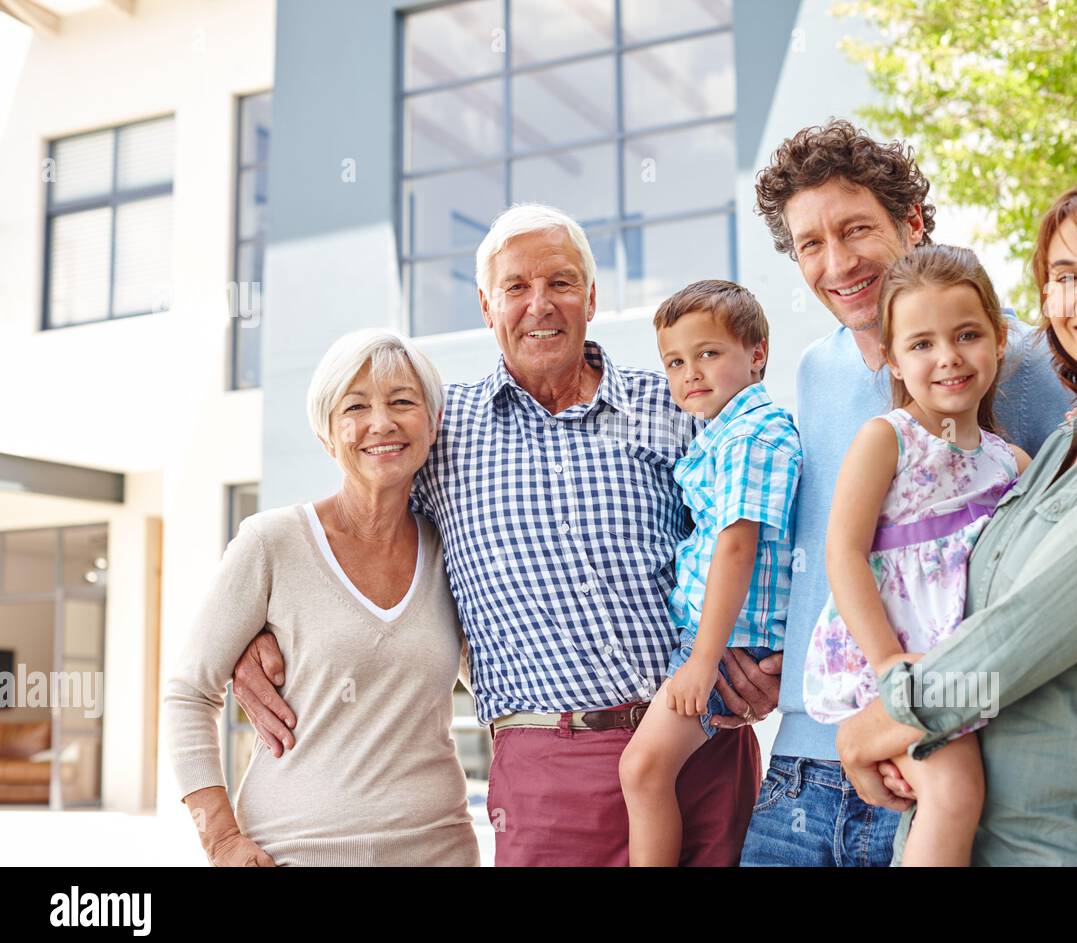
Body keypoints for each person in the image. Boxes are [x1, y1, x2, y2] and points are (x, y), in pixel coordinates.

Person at [740, 120, 1077, 867]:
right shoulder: (813, 373)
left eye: (857, 229)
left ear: (913, 224)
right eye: (810, 244)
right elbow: (825, 547)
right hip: (812, 761)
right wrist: (747, 646)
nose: (837, 261)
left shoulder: (1029, 370)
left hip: (951, 760)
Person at [228, 205, 780, 866]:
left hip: (699, 745)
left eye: (561, 283)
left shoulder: (677, 406)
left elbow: (760, 536)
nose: (539, 305)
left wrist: (775, 660)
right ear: (487, 308)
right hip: (549, 769)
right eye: (516, 288)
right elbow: (353, 529)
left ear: (592, 298)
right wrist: (259, 626)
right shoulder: (438, 429)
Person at [164, 330, 478, 866]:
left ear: (432, 424)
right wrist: (220, 838)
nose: (381, 423)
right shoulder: (271, 542)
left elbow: (500, 677)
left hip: (439, 849)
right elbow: (189, 693)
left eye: (402, 401)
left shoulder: (455, 548)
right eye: (355, 406)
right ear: (327, 434)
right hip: (294, 851)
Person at [804, 245, 1028, 865]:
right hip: (894, 663)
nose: (948, 357)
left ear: (999, 339)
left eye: (966, 335)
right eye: (922, 343)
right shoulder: (888, 440)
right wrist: (888, 664)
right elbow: (843, 554)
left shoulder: (1008, 461)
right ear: (894, 358)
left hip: (968, 671)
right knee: (954, 791)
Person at [620, 280, 801, 866]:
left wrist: (702, 658)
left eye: (708, 353)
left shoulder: (751, 434)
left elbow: (736, 548)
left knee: (642, 769)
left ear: (756, 353)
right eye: (675, 361)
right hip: (717, 639)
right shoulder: (722, 433)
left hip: (726, 644)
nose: (690, 372)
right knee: (651, 772)